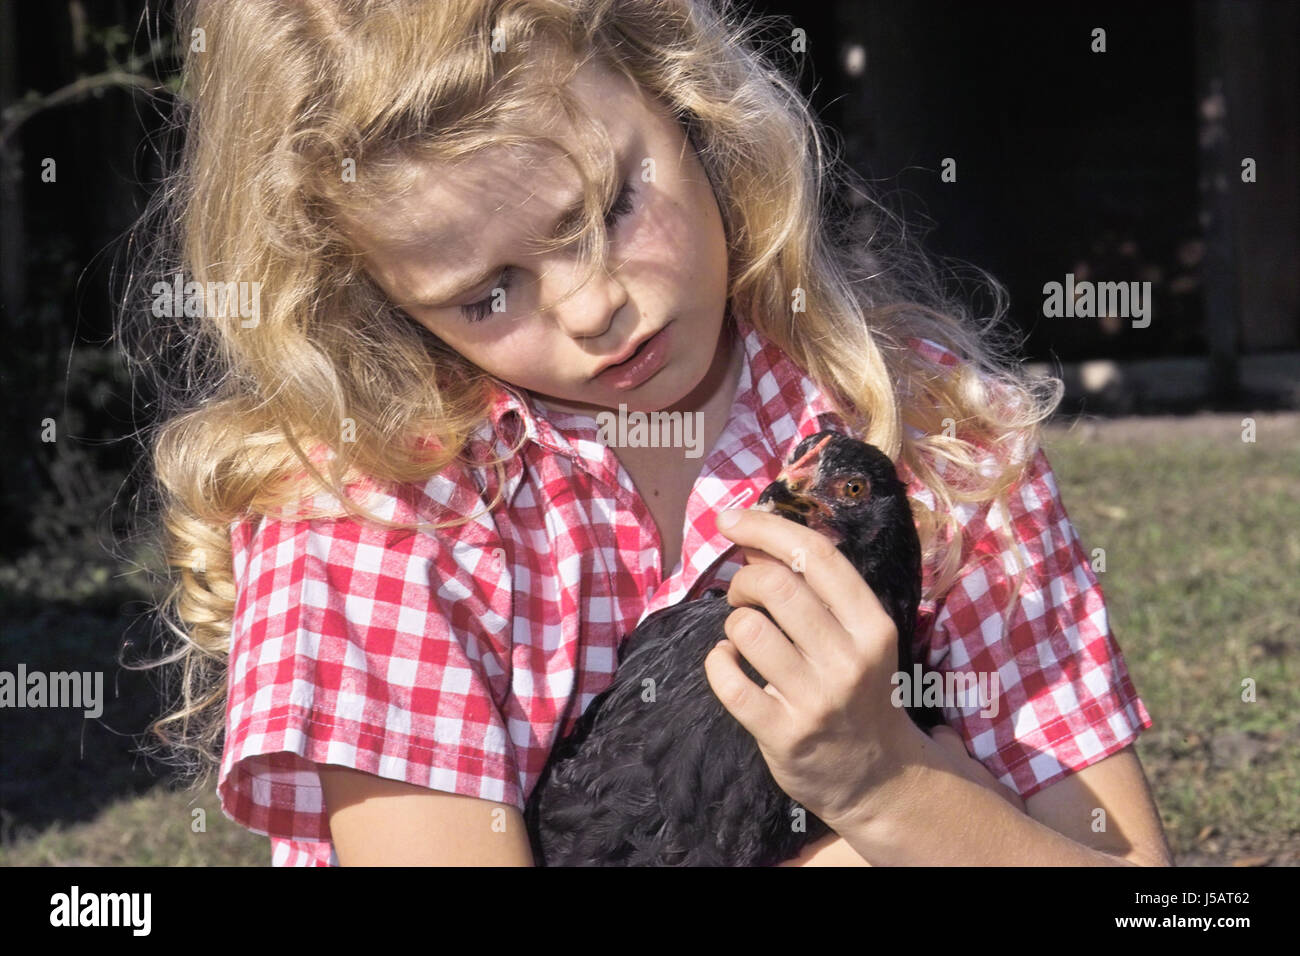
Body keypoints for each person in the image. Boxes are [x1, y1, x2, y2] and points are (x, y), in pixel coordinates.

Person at [129, 0, 1171, 866]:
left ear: (685, 100)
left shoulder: (929, 434)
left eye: (611, 206)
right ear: (378, 303)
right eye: (487, 294)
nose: (592, 307)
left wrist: (884, 781)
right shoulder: (372, 521)